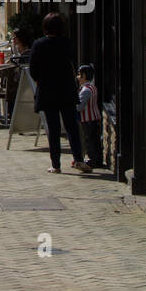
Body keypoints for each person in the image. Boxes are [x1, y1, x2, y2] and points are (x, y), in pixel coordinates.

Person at [28, 12, 91, 174]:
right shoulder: (66, 43)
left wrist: (40, 80)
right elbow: (72, 61)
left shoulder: (38, 45)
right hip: (66, 89)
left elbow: (33, 70)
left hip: (48, 91)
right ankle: (78, 159)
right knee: (71, 126)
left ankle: (56, 164)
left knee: (53, 128)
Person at [77, 64, 103, 168]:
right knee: (95, 140)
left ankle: (93, 160)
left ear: (84, 75)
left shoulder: (85, 90)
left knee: (90, 140)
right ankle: (98, 159)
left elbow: (79, 106)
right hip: (94, 117)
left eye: (79, 75)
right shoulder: (92, 87)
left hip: (88, 119)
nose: (78, 77)